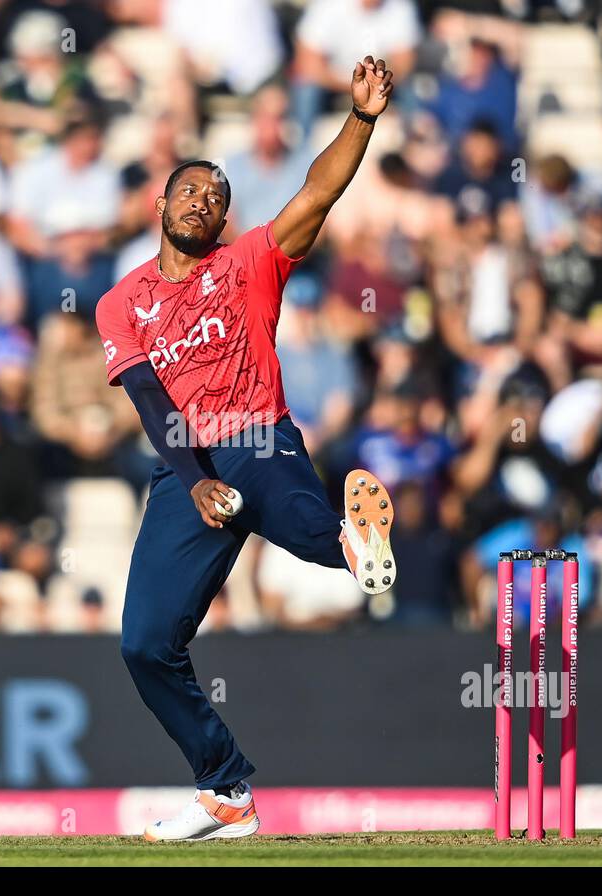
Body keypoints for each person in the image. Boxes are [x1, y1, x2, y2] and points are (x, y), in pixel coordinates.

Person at [96, 56, 398, 842]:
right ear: (160, 203)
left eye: (218, 197)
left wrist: (360, 118)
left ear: (226, 221)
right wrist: (194, 481)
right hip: (183, 468)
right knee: (144, 646)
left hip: (258, 436)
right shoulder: (121, 301)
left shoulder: (252, 261)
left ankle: (351, 545)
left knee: (295, 513)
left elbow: (320, 192)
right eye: (191, 190)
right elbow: (150, 399)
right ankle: (225, 791)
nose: (204, 201)